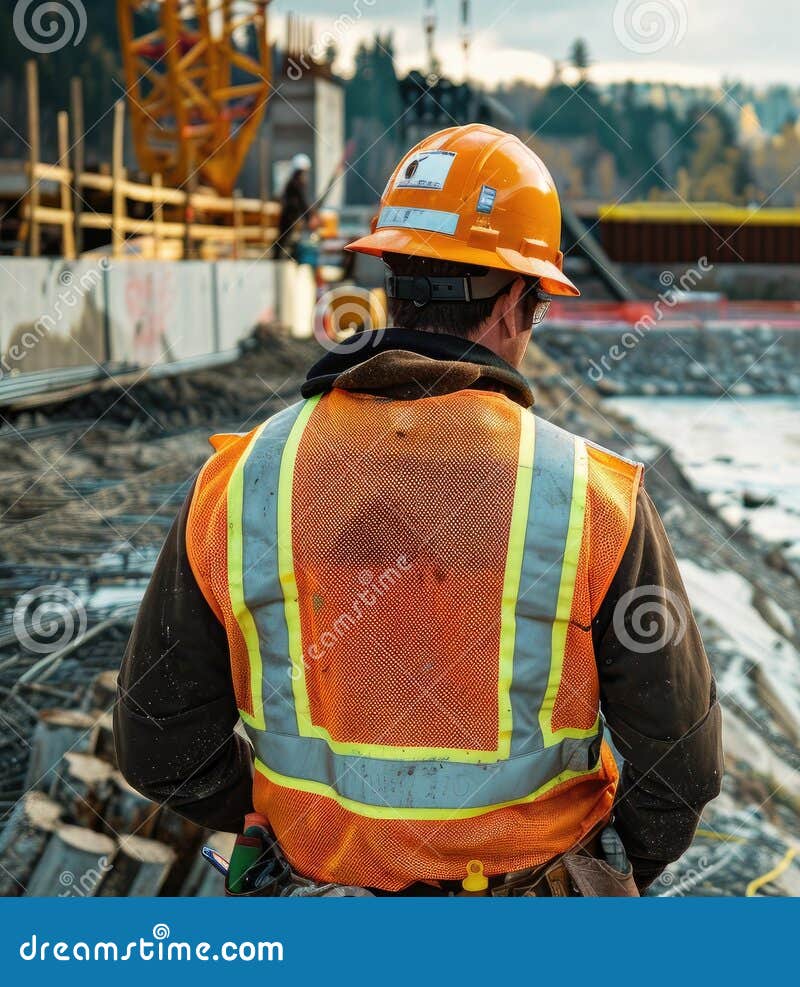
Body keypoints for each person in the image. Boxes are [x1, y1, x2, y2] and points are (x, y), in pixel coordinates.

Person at [116, 124, 722, 897]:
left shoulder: (241, 479)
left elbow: (156, 741)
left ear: (392, 280)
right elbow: (683, 765)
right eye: (536, 307)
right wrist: (601, 870)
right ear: (512, 303)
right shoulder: (592, 496)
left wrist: (280, 819)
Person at [274, 153, 313, 260]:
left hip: (291, 215)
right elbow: (302, 201)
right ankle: (278, 258)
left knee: (286, 237)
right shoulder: (296, 182)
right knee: (284, 237)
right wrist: (308, 217)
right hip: (289, 215)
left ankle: (281, 257)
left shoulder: (292, 181)